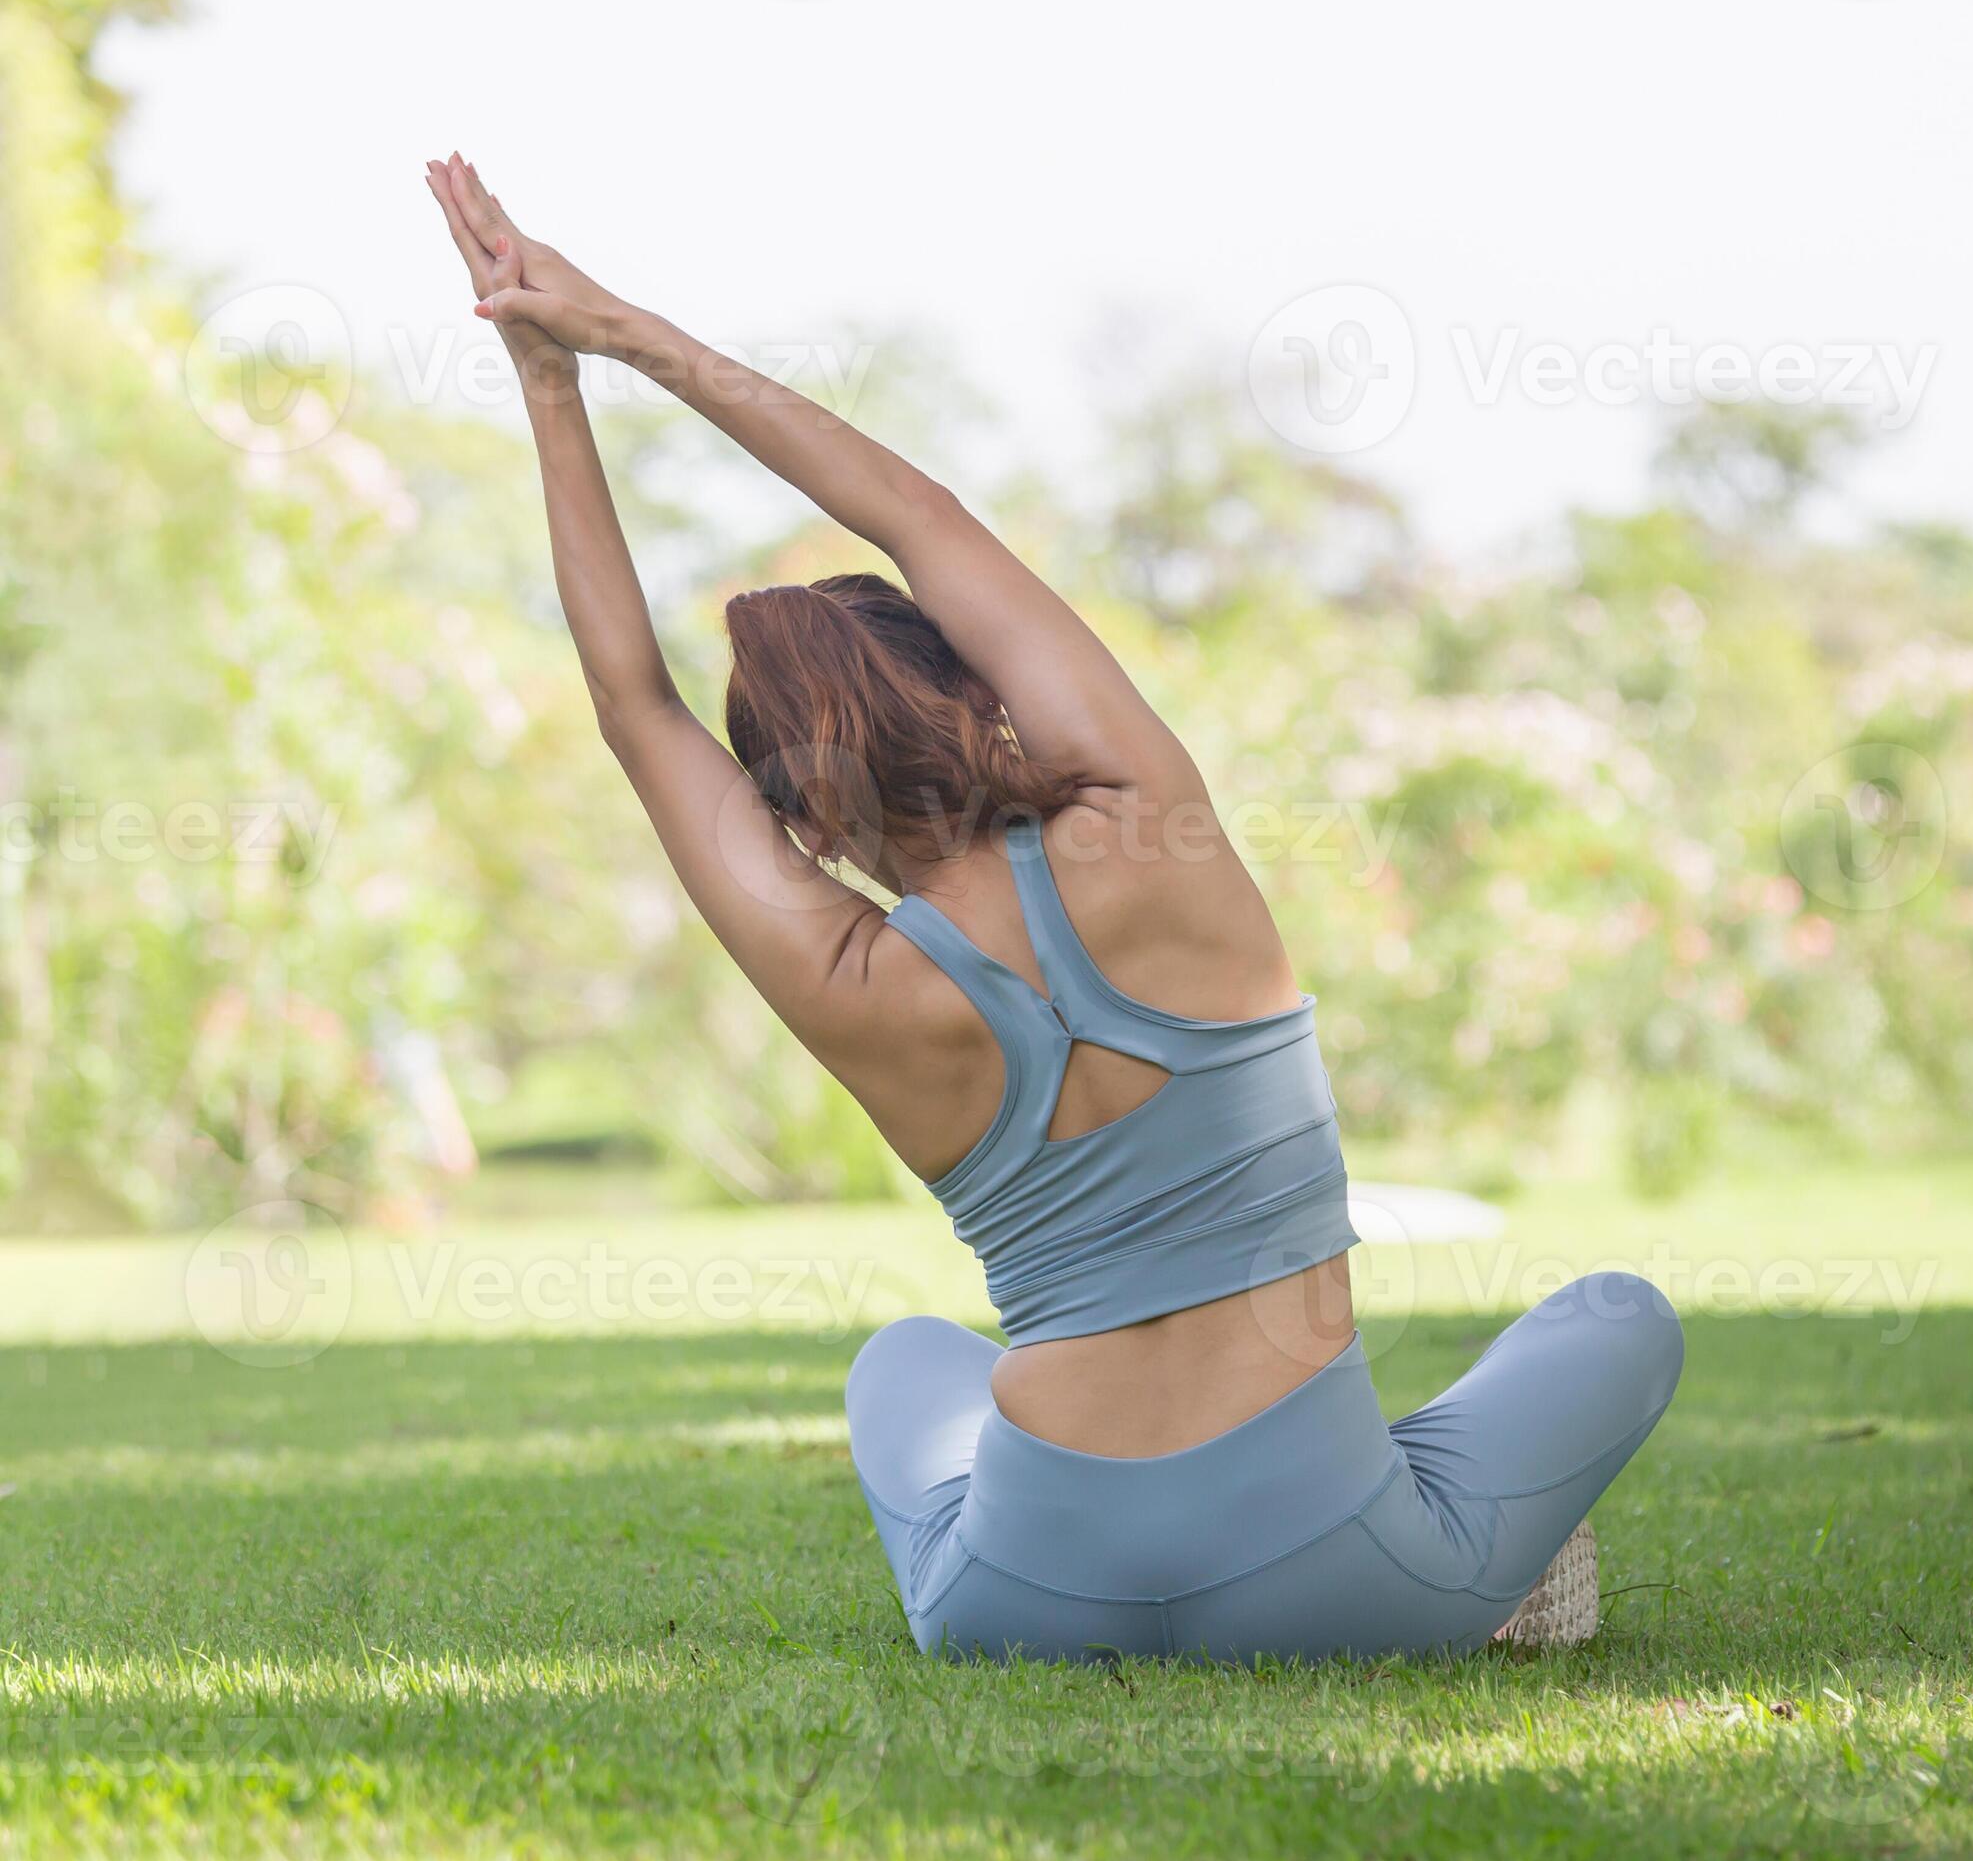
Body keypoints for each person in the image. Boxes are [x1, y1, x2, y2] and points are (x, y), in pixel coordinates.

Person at [421, 155, 1682, 1662]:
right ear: (969, 691)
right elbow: (917, 512)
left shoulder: (856, 981)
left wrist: (546, 391)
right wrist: (619, 330)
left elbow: (637, 709)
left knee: (910, 1359)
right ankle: (1462, 1552)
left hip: (1020, 1601)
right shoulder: (1151, 828)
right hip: (1340, 1580)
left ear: (798, 820)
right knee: (1617, 1316)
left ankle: (1188, 1542)